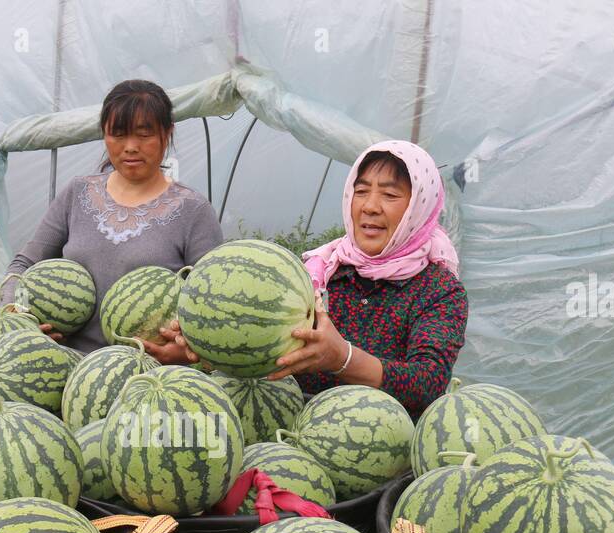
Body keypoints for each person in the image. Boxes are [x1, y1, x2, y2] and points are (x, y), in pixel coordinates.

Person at [166, 140, 466, 418]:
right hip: (290, 434)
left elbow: (429, 383)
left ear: (420, 207)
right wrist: (206, 344)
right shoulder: (317, 270)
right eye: (361, 191)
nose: (370, 206)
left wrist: (342, 359)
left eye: (389, 195)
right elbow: (262, 349)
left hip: (385, 453)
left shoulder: (438, 290)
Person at [0, 79, 223, 358]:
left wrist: (185, 352)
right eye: (118, 134)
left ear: (167, 133)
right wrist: (17, 316)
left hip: (148, 375)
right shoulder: (78, 193)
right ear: (104, 135)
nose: (130, 146)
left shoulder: (193, 210)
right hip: (65, 363)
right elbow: (23, 264)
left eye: (144, 134)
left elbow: (215, 306)